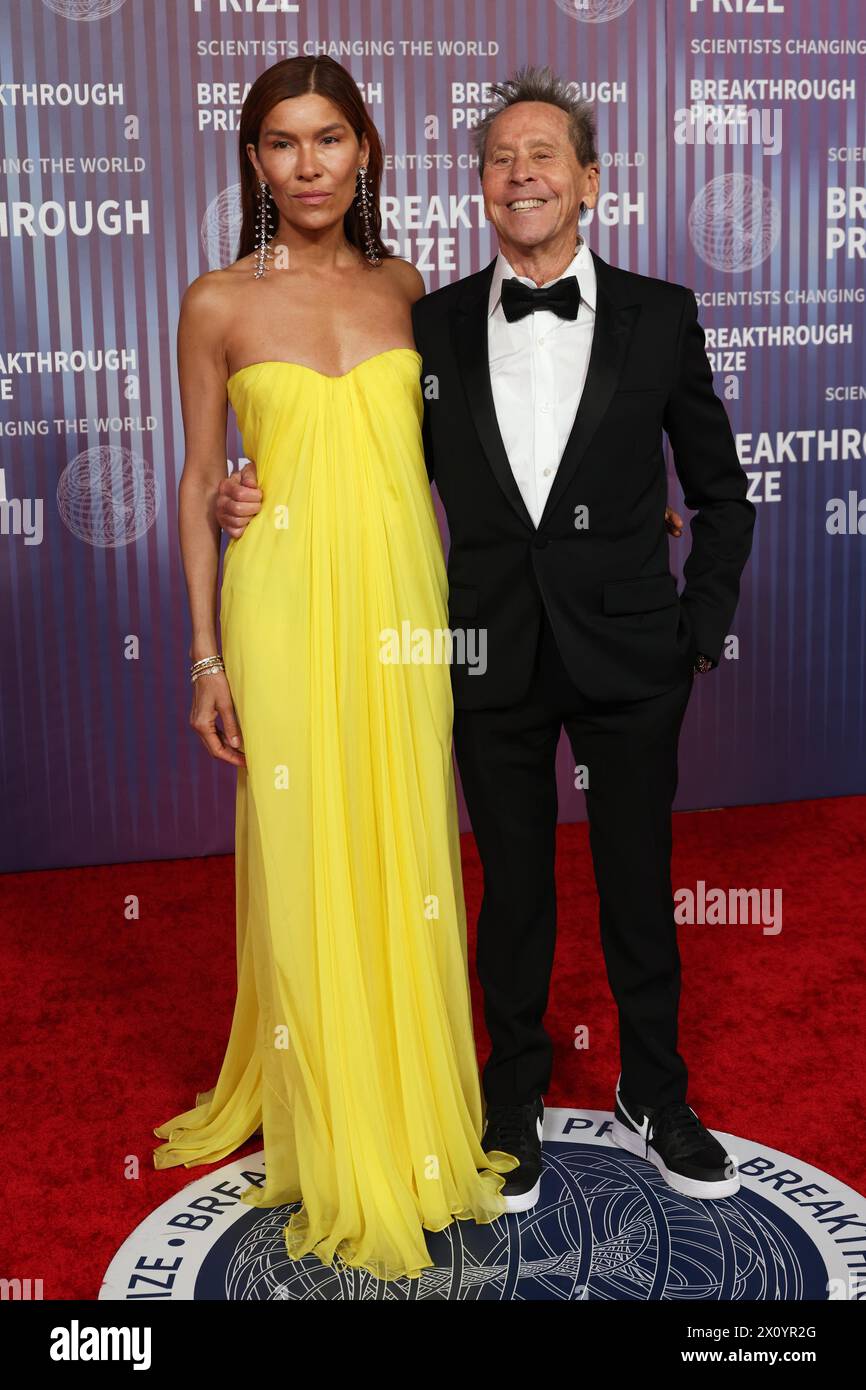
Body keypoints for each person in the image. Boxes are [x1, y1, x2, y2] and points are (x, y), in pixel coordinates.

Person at [217, 65, 756, 1213]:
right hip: (481, 655)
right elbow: (369, 465)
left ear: (589, 183)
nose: (522, 175)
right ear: (477, 188)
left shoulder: (661, 312)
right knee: (508, 892)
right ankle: (507, 1102)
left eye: (543, 156)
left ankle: (655, 1093)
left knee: (633, 884)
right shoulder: (427, 318)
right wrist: (250, 498)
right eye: (500, 160)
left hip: (628, 660)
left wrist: (696, 633)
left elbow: (720, 492)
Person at [151, 54, 521, 1285]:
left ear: (365, 148)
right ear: (252, 162)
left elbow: (446, 456)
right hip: (281, 604)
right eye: (279, 144)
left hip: (404, 601)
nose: (306, 166)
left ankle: (414, 1108)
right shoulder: (214, 301)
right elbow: (207, 485)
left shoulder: (410, 287)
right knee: (304, 850)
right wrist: (204, 656)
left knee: (409, 838)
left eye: (327, 140)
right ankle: (329, 1118)